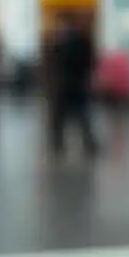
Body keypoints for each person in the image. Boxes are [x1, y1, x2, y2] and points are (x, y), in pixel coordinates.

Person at [47, 12, 98, 157]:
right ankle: (87, 143)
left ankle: (58, 142)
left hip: (67, 83)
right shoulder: (83, 40)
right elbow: (90, 61)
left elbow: (55, 61)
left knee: (62, 116)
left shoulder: (63, 42)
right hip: (77, 82)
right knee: (81, 115)